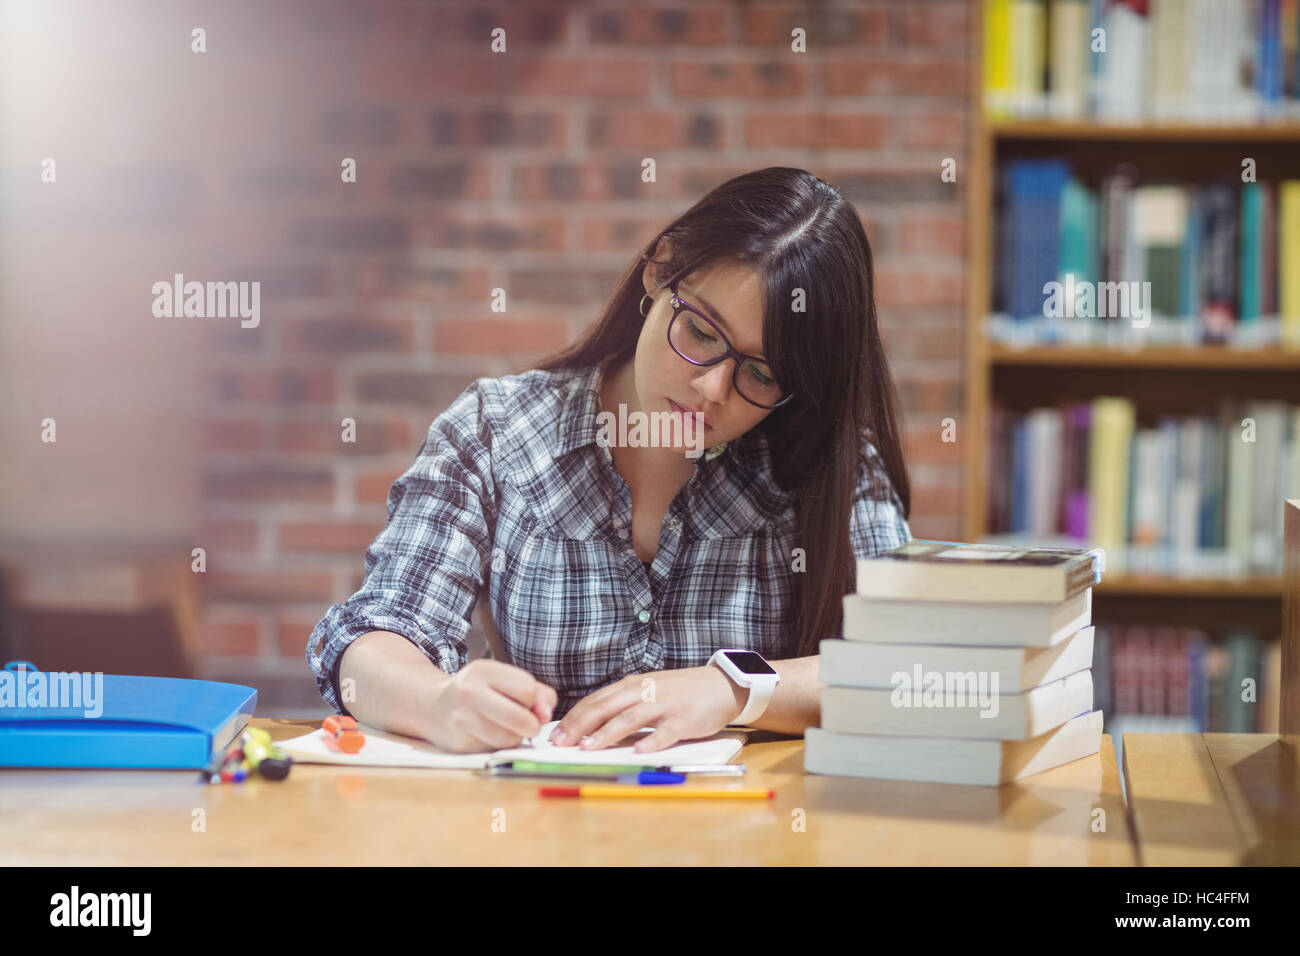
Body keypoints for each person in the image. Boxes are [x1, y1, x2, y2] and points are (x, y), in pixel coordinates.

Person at [306, 167, 912, 754]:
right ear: (660, 271)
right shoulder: (499, 432)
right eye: (701, 334)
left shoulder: (829, 465)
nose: (712, 389)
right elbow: (371, 635)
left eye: (760, 372)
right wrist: (438, 701)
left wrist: (735, 689)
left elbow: (907, 667)